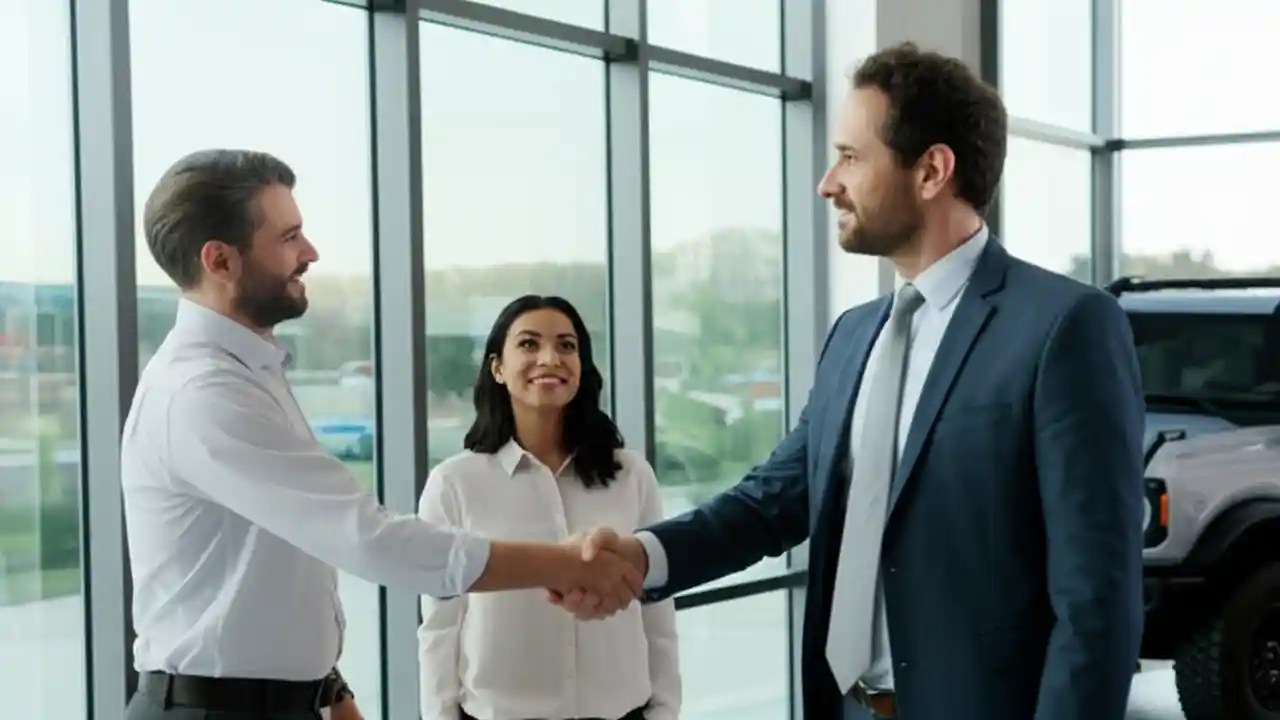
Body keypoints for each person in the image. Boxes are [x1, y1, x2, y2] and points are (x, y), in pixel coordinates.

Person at [556, 42, 1146, 720]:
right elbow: (774, 500)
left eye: (851, 156)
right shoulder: (854, 335)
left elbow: (1097, 599)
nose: (827, 182)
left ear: (931, 170)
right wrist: (641, 555)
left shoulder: (1064, 328)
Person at [120, 149, 642, 720]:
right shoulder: (203, 393)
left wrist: (331, 691)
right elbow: (365, 537)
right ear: (220, 260)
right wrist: (567, 564)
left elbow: (276, 564)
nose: (310, 252)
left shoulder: (250, 374)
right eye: (289, 236)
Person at [416, 295, 680, 720]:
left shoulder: (631, 474)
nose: (549, 358)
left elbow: (656, 606)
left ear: (582, 368)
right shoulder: (454, 483)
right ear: (497, 368)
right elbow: (440, 625)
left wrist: (665, 710)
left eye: (566, 346)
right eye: (528, 344)